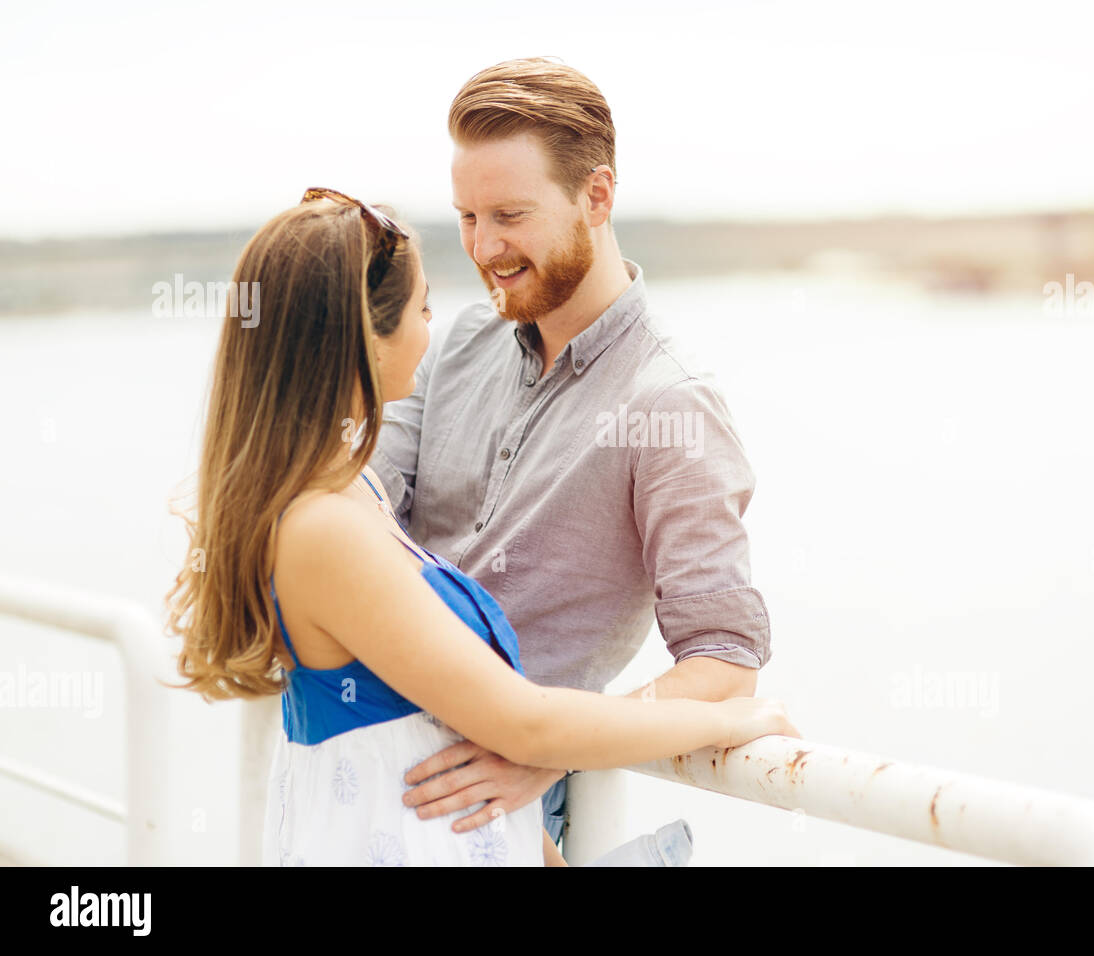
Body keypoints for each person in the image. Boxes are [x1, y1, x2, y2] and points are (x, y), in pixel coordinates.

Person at [163, 187, 797, 867]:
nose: (434, 330)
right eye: (422, 308)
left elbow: (426, 738)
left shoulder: (348, 496)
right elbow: (520, 723)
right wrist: (728, 718)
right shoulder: (322, 528)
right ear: (364, 340)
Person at [374, 57, 774, 851]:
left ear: (597, 196)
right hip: (370, 767)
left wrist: (551, 750)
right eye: (466, 217)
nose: (484, 248)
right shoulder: (454, 344)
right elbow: (363, 507)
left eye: (509, 216)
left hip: (501, 811)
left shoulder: (671, 403)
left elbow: (725, 663)